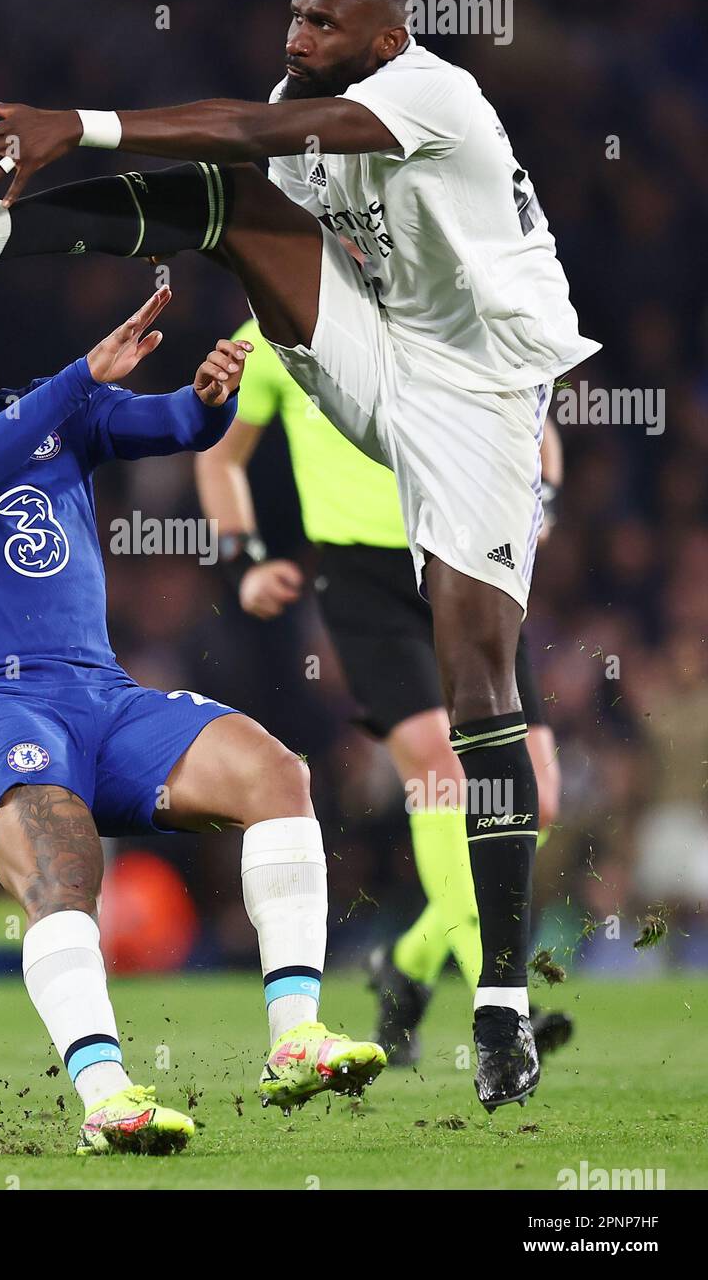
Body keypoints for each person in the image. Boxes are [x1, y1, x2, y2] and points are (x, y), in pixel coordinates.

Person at [0, 0, 599, 1110]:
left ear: (385, 41)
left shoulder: (432, 95)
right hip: (386, 354)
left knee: (479, 681)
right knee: (231, 207)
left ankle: (496, 1002)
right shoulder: (305, 95)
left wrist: (76, 121)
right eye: (293, 16)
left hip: (484, 395)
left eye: (325, 28)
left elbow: (246, 128)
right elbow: (239, 151)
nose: (297, 41)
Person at [0, 268, 387, 1156]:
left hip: (102, 693)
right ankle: (106, 1095)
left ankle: (295, 1037)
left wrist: (211, 398)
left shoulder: (56, 413)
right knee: (63, 860)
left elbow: (172, 423)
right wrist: (79, 380)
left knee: (275, 773)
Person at [196, 317, 573, 1064]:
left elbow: (534, 419)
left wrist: (546, 503)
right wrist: (243, 557)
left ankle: (406, 963)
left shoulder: (430, 303)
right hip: (362, 577)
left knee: (538, 800)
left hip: (465, 556)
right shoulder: (271, 334)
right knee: (439, 771)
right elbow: (220, 454)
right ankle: (501, 999)